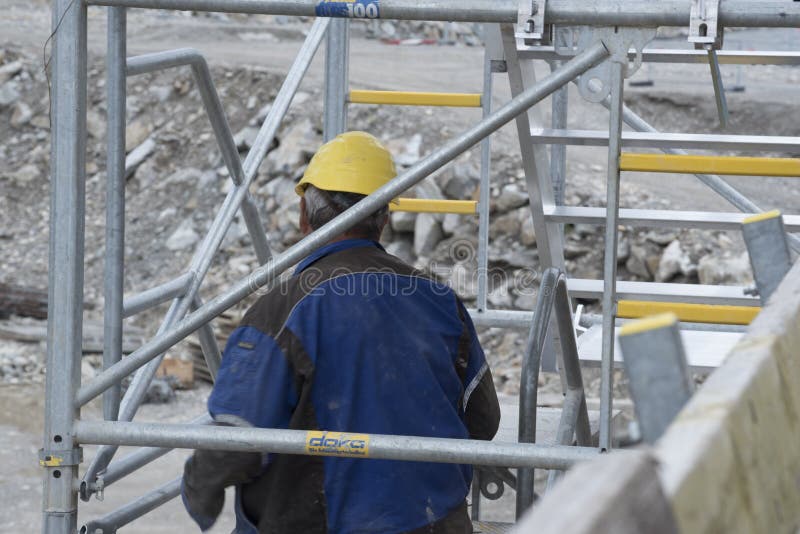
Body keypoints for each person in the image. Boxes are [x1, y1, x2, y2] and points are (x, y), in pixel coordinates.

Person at [182, 131, 500, 534]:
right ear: (383, 220)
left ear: (304, 214)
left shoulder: (281, 310)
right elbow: (483, 420)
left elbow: (235, 441)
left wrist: (199, 491)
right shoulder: (440, 299)